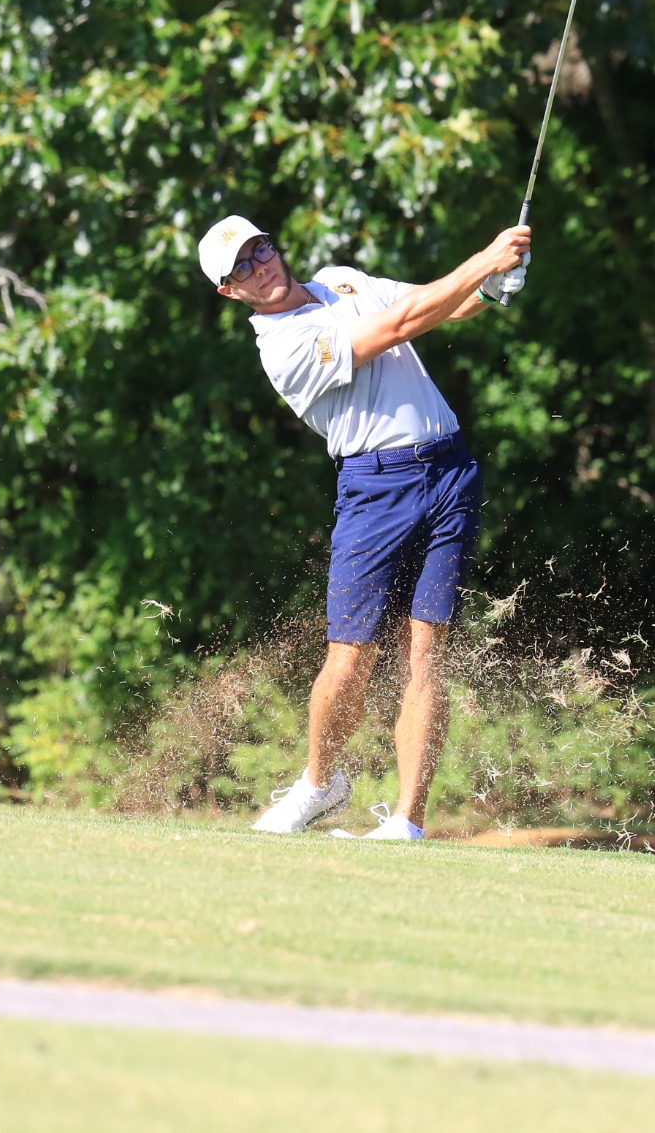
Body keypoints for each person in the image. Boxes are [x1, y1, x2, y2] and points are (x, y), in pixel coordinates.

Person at [198, 214, 531, 839]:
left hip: (450, 471)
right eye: (239, 268)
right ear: (229, 291)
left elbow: (429, 304)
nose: (259, 267)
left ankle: (408, 821)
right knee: (351, 657)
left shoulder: (339, 281)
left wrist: (488, 289)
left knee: (426, 654)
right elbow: (399, 327)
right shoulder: (283, 346)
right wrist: (485, 259)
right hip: (375, 488)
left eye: (259, 250)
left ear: (273, 245)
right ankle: (320, 784)